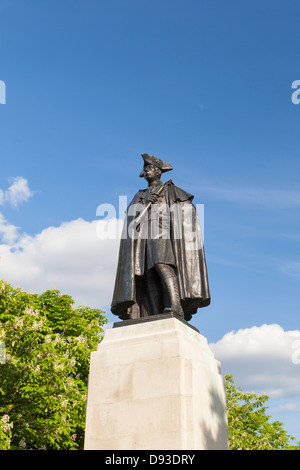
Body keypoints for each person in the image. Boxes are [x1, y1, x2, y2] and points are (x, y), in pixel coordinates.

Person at [111, 153, 210, 322]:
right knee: (148, 274)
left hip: (162, 234)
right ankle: (156, 313)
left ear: (158, 172)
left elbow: (185, 209)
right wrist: (142, 203)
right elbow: (130, 215)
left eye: (150, 168)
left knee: (162, 266)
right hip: (143, 237)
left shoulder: (169, 190)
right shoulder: (140, 195)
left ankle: (176, 305)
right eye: (146, 169)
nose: (147, 171)